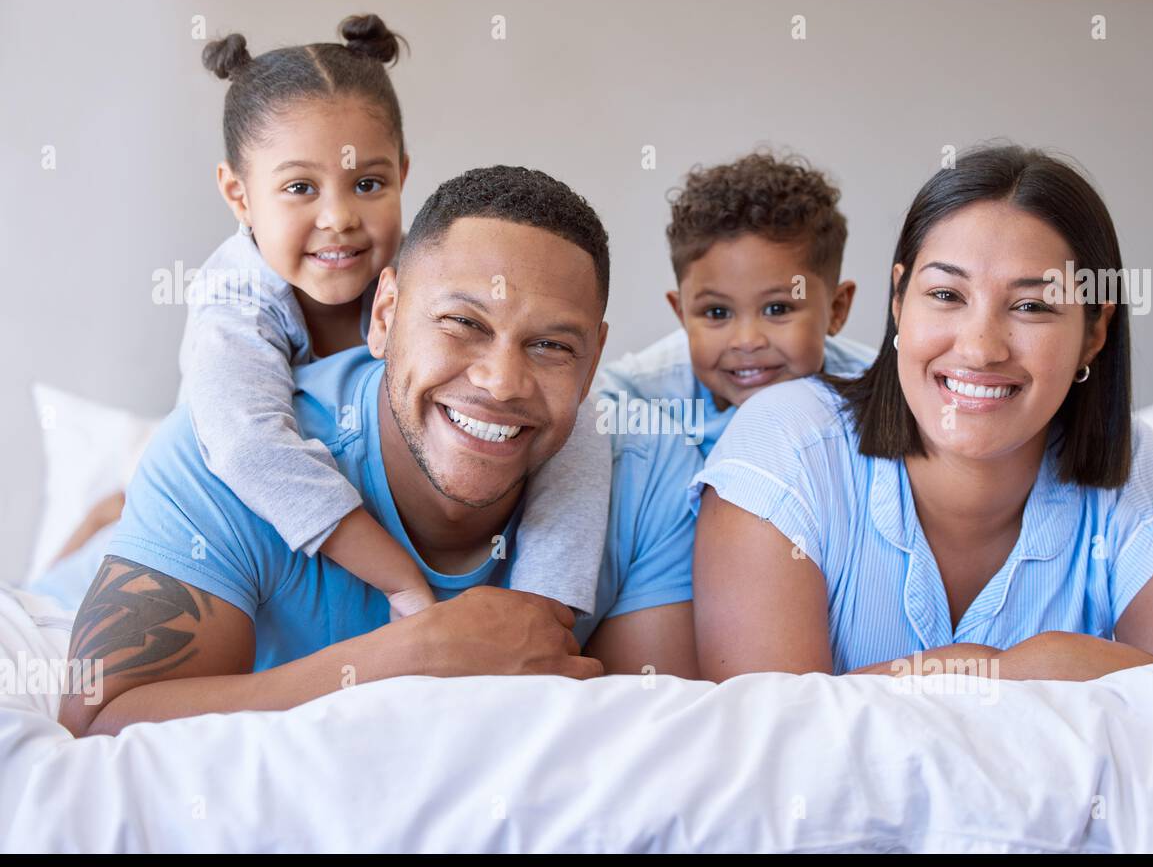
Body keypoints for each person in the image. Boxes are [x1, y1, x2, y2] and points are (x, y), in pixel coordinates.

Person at [57, 166, 699, 739]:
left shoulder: (650, 482)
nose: (502, 382)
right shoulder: (234, 453)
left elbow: (649, 752)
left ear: (592, 365)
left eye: (552, 347)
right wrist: (412, 658)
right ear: (386, 314)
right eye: (463, 324)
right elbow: (98, 722)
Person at [690, 144, 1153, 682]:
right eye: (946, 295)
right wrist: (1014, 671)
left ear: (1094, 333)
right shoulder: (785, 442)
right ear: (898, 300)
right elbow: (769, 734)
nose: (982, 348)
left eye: (1032, 306)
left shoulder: (1127, 460)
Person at [180, 14, 609, 619]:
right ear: (239, 196)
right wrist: (405, 585)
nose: (339, 218)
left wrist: (546, 605)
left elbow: (566, 408)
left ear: (403, 174)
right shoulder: (232, 306)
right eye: (301, 188)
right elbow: (248, 448)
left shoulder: (427, 277)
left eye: (368, 183)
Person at [597, 152, 875, 458]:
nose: (747, 341)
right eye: (717, 313)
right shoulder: (644, 391)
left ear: (836, 310)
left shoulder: (874, 392)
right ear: (683, 315)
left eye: (777, 309)